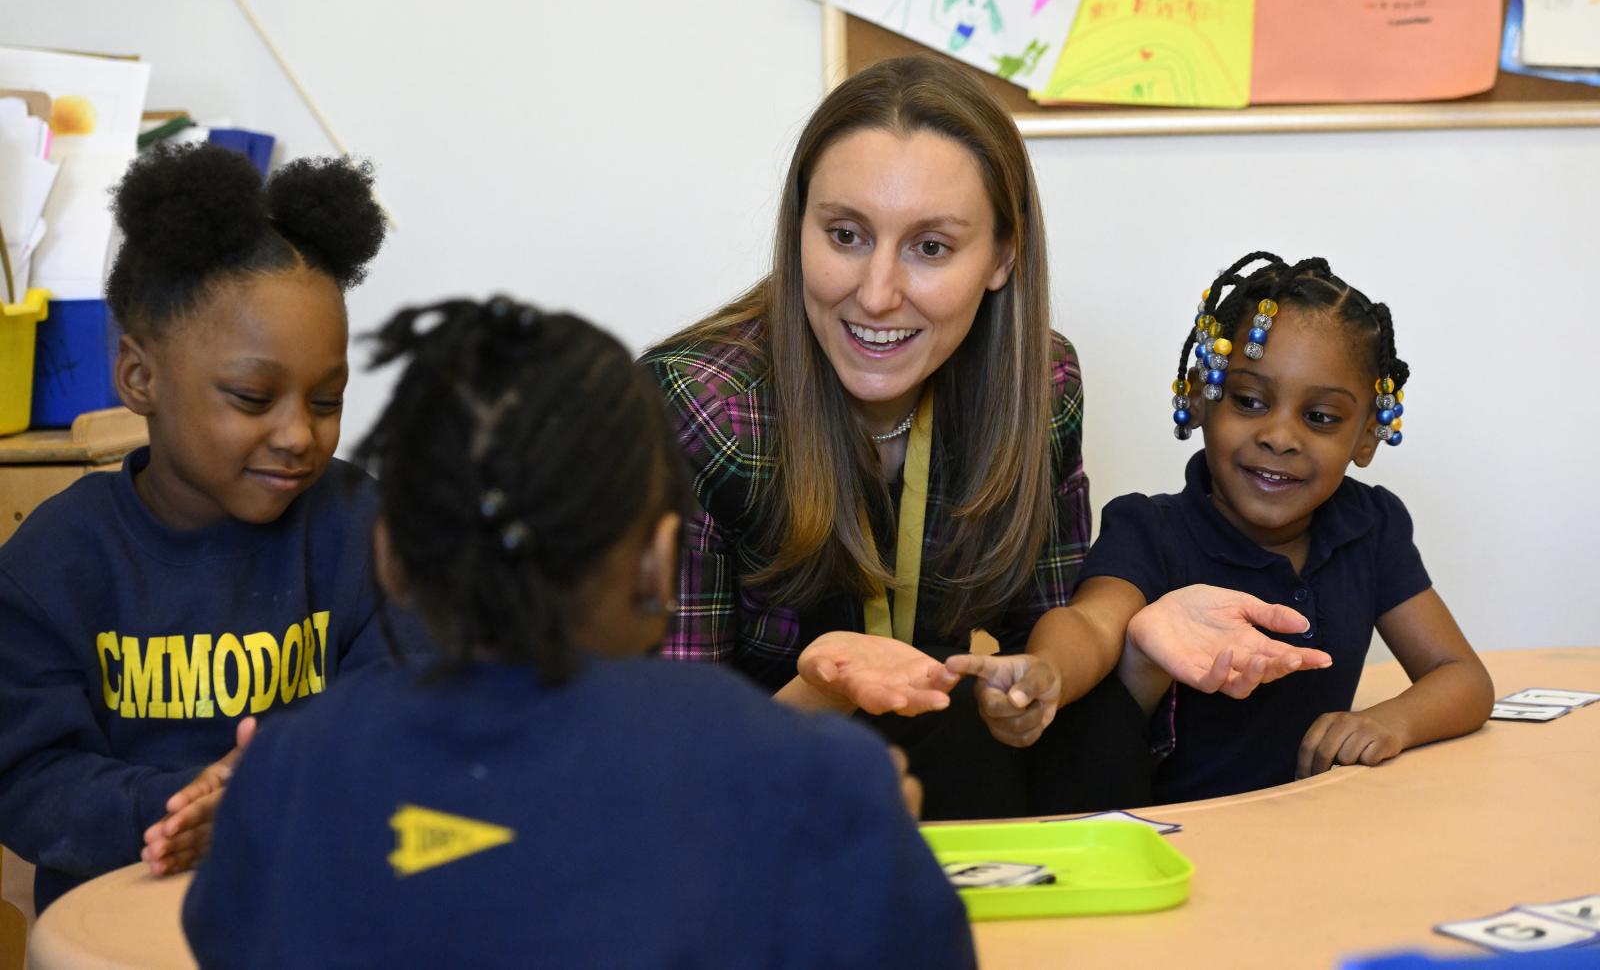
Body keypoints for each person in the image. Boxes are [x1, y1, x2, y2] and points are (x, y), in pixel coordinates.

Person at [182, 297, 976, 970]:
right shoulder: (822, 779)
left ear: (390, 558)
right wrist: (879, 850)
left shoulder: (282, 774)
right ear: (659, 565)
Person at [643, 55, 1325, 819]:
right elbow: (662, 761)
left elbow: (1044, 657)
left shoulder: (1042, 384)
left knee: (1080, 722)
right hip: (746, 796)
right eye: (845, 235)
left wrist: (1129, 649)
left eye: (931, 247)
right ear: (798, 226)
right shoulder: (702, 407)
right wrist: (829, 686)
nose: (875, 293)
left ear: (1003, 255)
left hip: (920, 774)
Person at [0, 143, 405, 911]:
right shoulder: (50, 564)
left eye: (326, 401)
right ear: (139, 377)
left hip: (318, 896)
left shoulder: (370, 531)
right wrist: (179, 805)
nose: (298, 434)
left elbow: (409, 708)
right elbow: (25, 773)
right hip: (126, 906)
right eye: (254, 399)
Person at [1058, 251, 1494, 801]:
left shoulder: (1372, 527)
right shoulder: (1146, 529)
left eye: (1320, 418)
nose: (1280, 437)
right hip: (1170, 838)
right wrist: (1044, 668)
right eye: (1249, 400)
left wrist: (1390, 722)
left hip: (1311, 830)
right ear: (1199, 395)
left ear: (1365, 438)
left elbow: (1463, 677)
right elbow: (1087, 649)